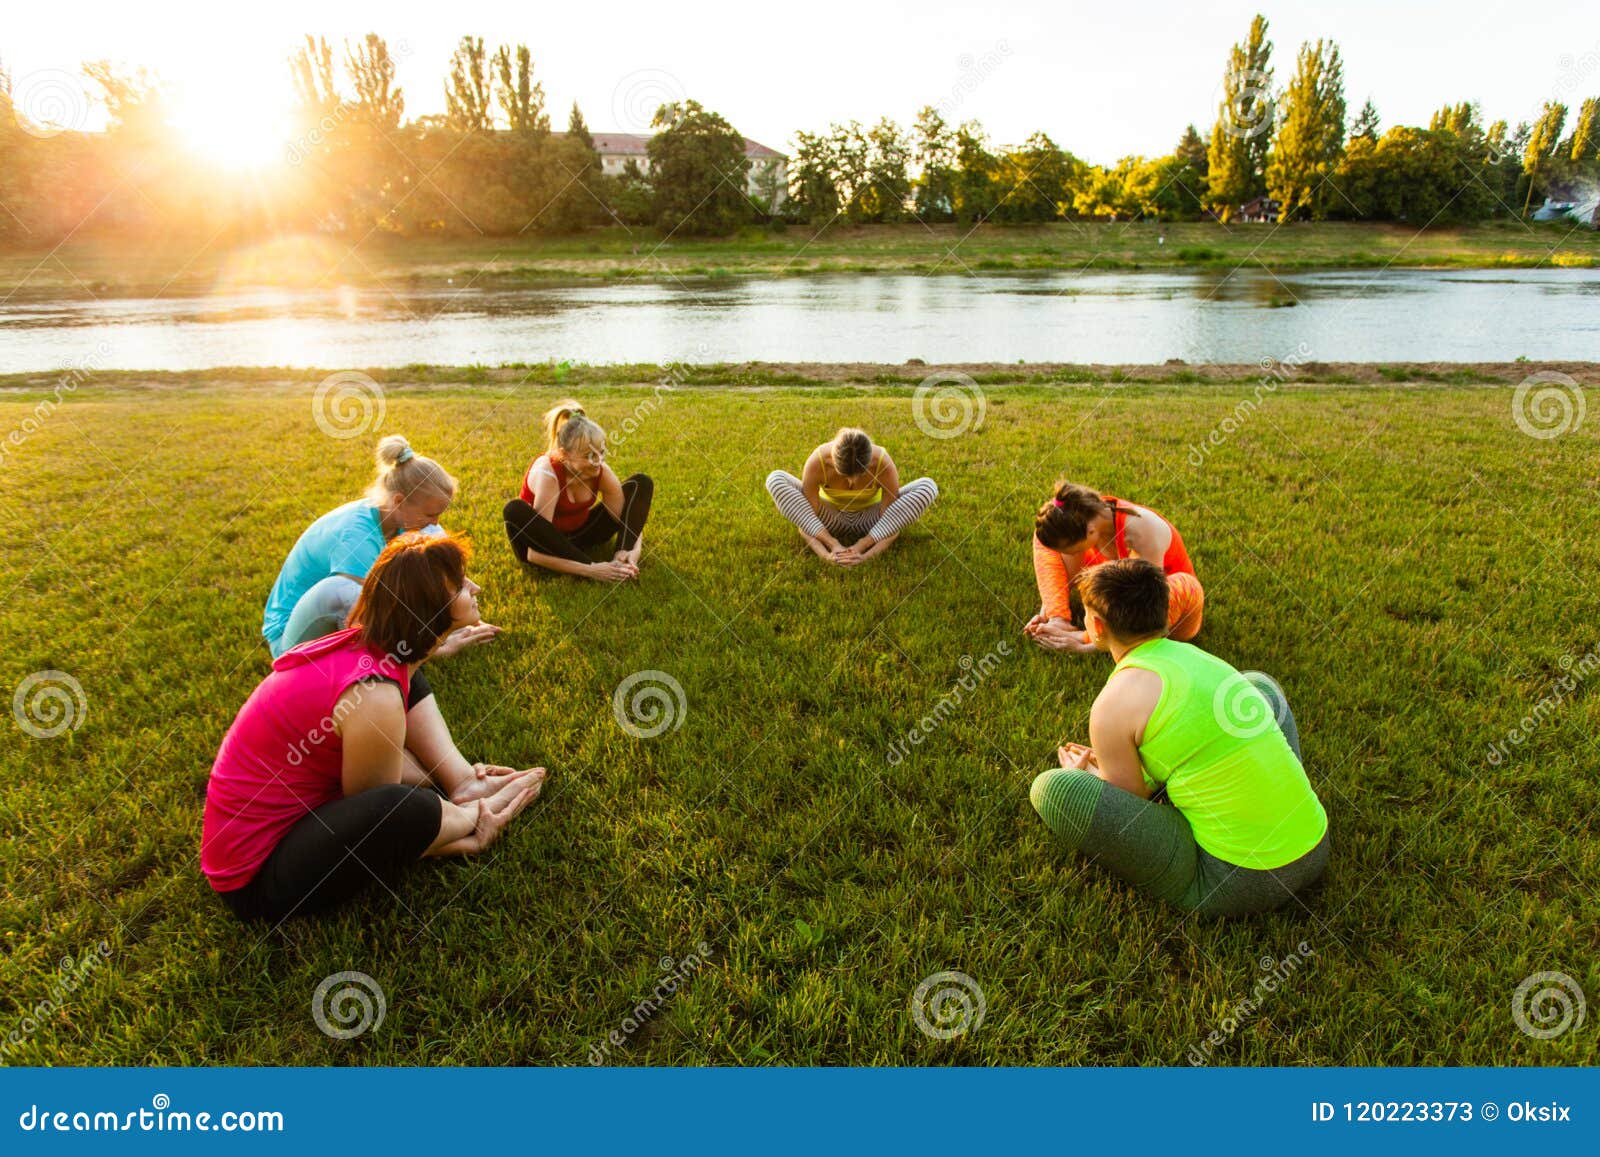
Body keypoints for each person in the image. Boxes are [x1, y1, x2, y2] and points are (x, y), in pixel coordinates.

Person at [204, 533, 545, 922]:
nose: (475, 588)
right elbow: (379, 820)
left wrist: (434, 778)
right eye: (461, 585)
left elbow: (373, 774)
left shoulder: (373, 653)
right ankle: (475, 814)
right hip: (256, 879)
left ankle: (463, 785)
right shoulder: (374, 696)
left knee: (406, 676)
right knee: (399, 804)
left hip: (288, 825)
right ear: (430, 609)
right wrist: (452, 835)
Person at [1028, 559, 1329, 917]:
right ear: (1163, 613)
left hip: (1237, 883)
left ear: (1096, 626)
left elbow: (1133, 802)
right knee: (1257, 685)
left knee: (1054, 788)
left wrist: (1088, 777)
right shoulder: (1204, 660)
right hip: (1315, 845)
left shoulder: (1111, 706)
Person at [262, 435, 500, 657]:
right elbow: (370, 618)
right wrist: (437, 648)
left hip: (339, 624)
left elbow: (443, 578)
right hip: (292, 640)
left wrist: (470, 620)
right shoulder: (357, 536)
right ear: (399, 501)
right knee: (343, 592)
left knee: (433, 543)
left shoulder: (400, 518)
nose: (436, 521)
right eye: (430, 514)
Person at [1025, 482, 1203, 653]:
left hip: (1164, 602)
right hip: (1116, 581)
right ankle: (1058, 620)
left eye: (1072, 551)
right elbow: (1067, 574)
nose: (1069, 555)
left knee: (1183, 585)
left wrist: (1084, 644)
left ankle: (1095, 636)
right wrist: (1049, 613)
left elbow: (1146, 610)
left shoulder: (1143, 533)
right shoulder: (1083, 515)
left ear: (1090, 531)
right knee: (1047, 537)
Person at [502, 400, 654, 584]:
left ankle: (621, 560)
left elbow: (630, 519)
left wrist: (632, 553)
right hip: (545, 548)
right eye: (589, 456)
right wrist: (591, 569)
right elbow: (536, 554)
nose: (598, 461)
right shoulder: (548, 476)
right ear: (564, 454)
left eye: (601, 452)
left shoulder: (600, 471)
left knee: (641, 483)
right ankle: (591, 564)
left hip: (578, 536)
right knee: (514, 509)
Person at [765, 427, 938, 567]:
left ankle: (863, 541)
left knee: (927, 486)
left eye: (858, 475)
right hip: (828, 519)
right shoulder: (818, 461)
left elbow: (891, 523)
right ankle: (832, 540)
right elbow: (806, 520)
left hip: (872, 522)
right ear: (833, 461)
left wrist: (862, 553)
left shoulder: (882, 462)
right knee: (775, 479)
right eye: (844, 475)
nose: (851, 481)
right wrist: (828, 551)